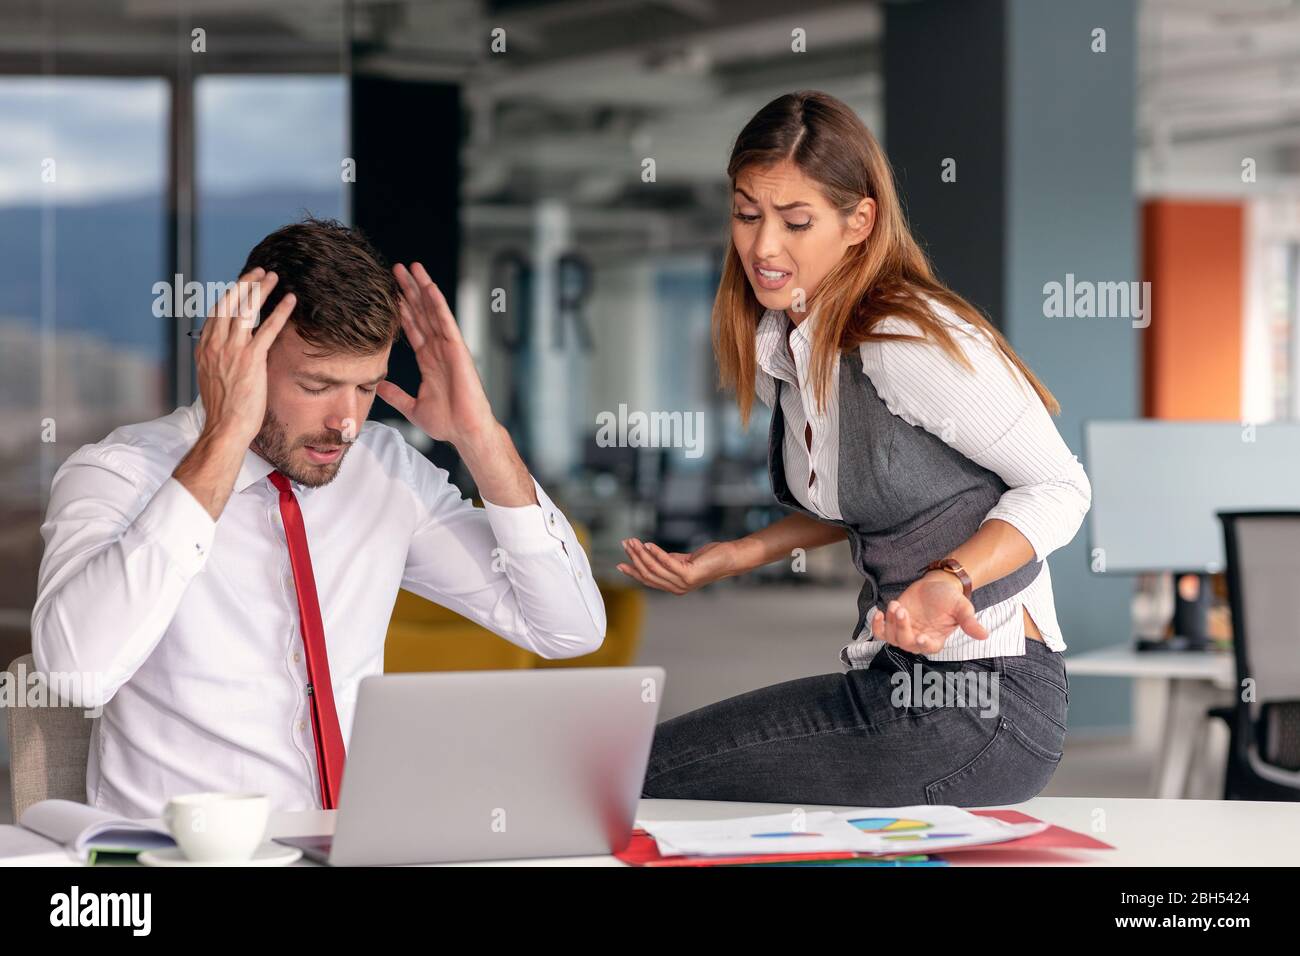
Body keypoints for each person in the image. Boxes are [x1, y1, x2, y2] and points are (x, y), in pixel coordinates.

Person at [31, 218, 605, 818]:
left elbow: (568, 629)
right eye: (317, 385)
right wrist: (226, 436)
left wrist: (481, 436)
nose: (346, 422)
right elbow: (78, 675)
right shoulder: (119, 474)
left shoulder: (385, 473)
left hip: (356, 848)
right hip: (183, 858)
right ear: (240, 354)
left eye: (365, 388)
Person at [619, 91, 1091, 807]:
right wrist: (732, 556)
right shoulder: (792, 347)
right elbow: (866, 491)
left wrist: (951, 578)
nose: (762, 246)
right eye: (747, 214)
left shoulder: (902, 338)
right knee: (645, 770)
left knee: (637, 776)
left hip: (985, 703)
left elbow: (1062, 487)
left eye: (795, 221)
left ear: (858, 222)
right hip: (898, 677)